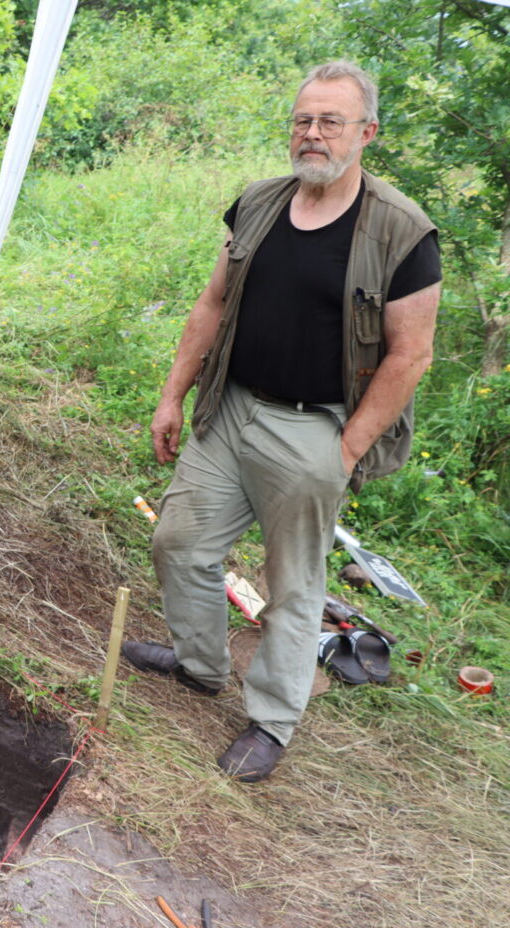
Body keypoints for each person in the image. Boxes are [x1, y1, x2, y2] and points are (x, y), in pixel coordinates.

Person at [123, 61, 441, 782]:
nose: (313, 133)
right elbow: (211, 304)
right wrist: (173, 395)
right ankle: (200, 665)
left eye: (331, 120)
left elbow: (411, 354)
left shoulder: (402, 233)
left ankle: (270, 721)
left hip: (314, 430)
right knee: (179, 540)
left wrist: (348, 447)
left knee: (293, 584)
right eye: (303, 119)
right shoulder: (261, 203)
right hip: (229, 406)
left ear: (367, 132)